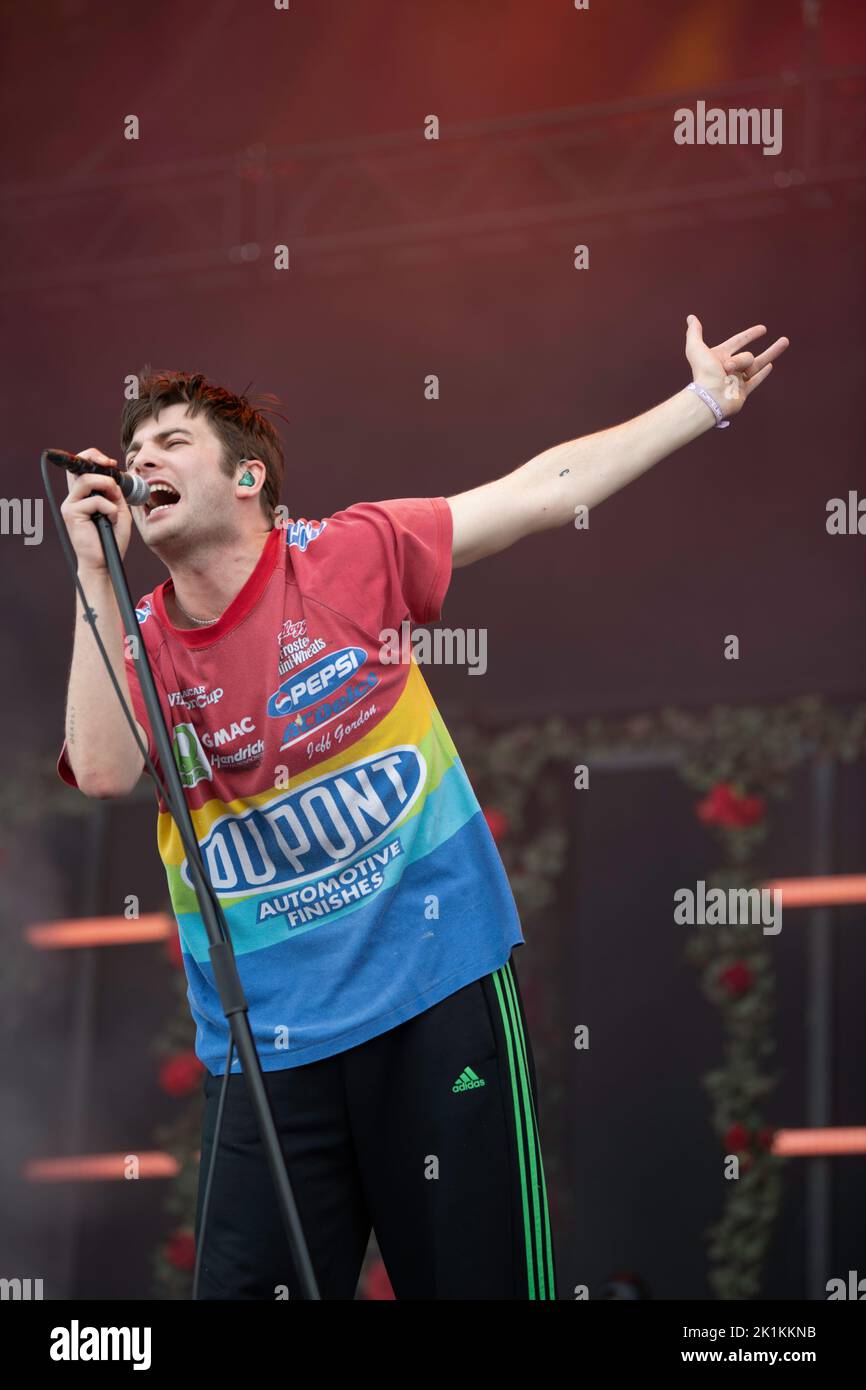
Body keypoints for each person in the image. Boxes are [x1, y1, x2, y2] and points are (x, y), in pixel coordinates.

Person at [56, 315, 788, 1300]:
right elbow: (102, 772)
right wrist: (94, 570)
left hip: (433, 999)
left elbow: (536, 492)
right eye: (135, 451)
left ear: (248, 480)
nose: (143, 459)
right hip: (267, 1049)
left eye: (172, 442)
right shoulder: (136, 640)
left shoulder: (347, 558)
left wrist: (701, 402)